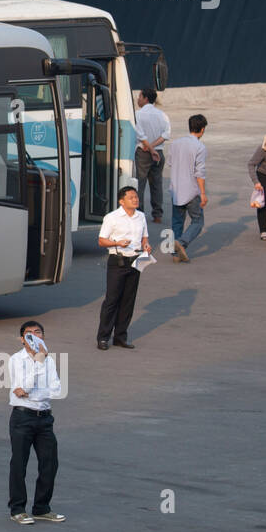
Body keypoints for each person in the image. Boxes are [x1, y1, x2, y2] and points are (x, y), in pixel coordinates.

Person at [8, 321, 64, 525]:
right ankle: (17, 509)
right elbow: (20, 388)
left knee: (50, 463)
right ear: (22, 339)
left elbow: (57, 390)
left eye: (37, 332)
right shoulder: (16, 359)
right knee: (19, 464)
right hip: (22, 418)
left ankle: (41, 507)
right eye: (28, 333)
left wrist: (32, 391)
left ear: (43, 337)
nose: (33, 336)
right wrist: (39, 364)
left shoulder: (49, 360)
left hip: (45, 418)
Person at [96, 185, 151, 350]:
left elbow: (144, 237)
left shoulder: (141, 216)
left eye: (136, 197)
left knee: (128, 300)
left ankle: (120, 336)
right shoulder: (112, 218)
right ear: (122, 201)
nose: (135, 200)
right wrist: (117, 242)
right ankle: (103, 337)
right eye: (131, 197)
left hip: (136, 260)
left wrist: (146, 245)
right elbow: (101, 240)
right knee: (112, 300)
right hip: (118, 260)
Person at [167, 114, 208, 262]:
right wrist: (203, 193)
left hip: (176, 189)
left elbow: (170, 163)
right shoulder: (200, 147)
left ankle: (175, 253)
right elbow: (200, 173)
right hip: (191, 191)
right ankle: (182, 242)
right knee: (197, 221)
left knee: (177, 221)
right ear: (202, 129)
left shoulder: (175, 143)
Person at [133, 88, 171, 223]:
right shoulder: (163, 115)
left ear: (146, 99)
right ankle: (157, 215)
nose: (138, 99)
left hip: (143, 153)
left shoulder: (138, 115)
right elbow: (166, 135)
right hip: (159, 153)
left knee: (140, 183)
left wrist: (149, 148)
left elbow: (140, 135)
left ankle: (139, 213)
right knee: (156, 184)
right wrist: (154, 149)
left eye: (139, 97)